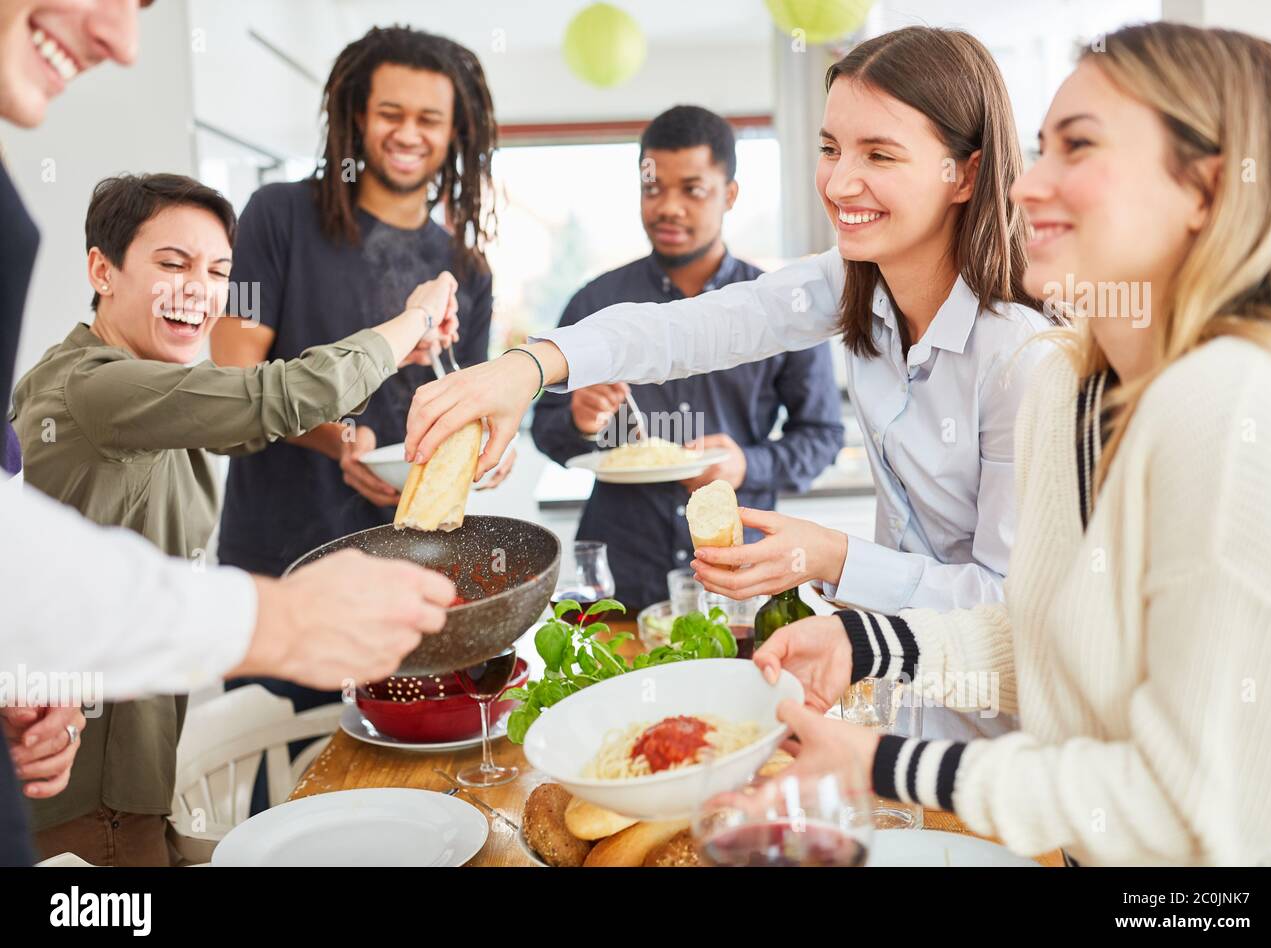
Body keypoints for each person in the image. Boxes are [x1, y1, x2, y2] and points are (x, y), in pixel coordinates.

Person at [403, 27, 1053, 741]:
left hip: (1002, 734)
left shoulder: (1022, 357)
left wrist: (830, 554)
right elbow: (685, 328)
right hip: (895, 697)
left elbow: (1008, 601)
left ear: (963, 173)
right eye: (830, 148)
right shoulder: (854, 285)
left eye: (880, 154)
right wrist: (528, 367)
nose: (838, 184)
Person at [754, 22, 1271, 866]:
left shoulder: (1230, 407)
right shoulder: (1068, 388)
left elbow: (1191, 812)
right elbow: (1051, 640)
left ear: (1206, 188)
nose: (1026, 185)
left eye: (1076, 148)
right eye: (1039, 148)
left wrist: (889, 766)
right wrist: (868, 643)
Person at [0, 0, 454, 867]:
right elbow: (268, 399)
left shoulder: (155, 393)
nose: (199, 293)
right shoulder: (95, 389)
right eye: (170, 265)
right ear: (102, 271)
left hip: (133, 797)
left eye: (217, 273)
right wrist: (405, 328)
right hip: (77, 809)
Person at [209, 25, 508, 724]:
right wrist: (335, 438)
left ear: (456, 131)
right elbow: (229, 381)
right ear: (354, 117)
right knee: (281, 790)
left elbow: (459, 399)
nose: (409, 134)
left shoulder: (464, 269)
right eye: (390, 114)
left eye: (429, 119)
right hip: (279, 561)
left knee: (406, 781)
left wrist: (482, 441)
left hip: (410, 572)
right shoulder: (278, 217)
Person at [530, 105, 842, 610]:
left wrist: (747, 466)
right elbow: (546, 431)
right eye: (653, 188)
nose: (668, 206)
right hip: (621, 575)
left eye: (692, 190)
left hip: (740, 568)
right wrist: (580, 420)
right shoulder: (595, 302)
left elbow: (822, 436)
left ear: (729, 195)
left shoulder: (781, 305)